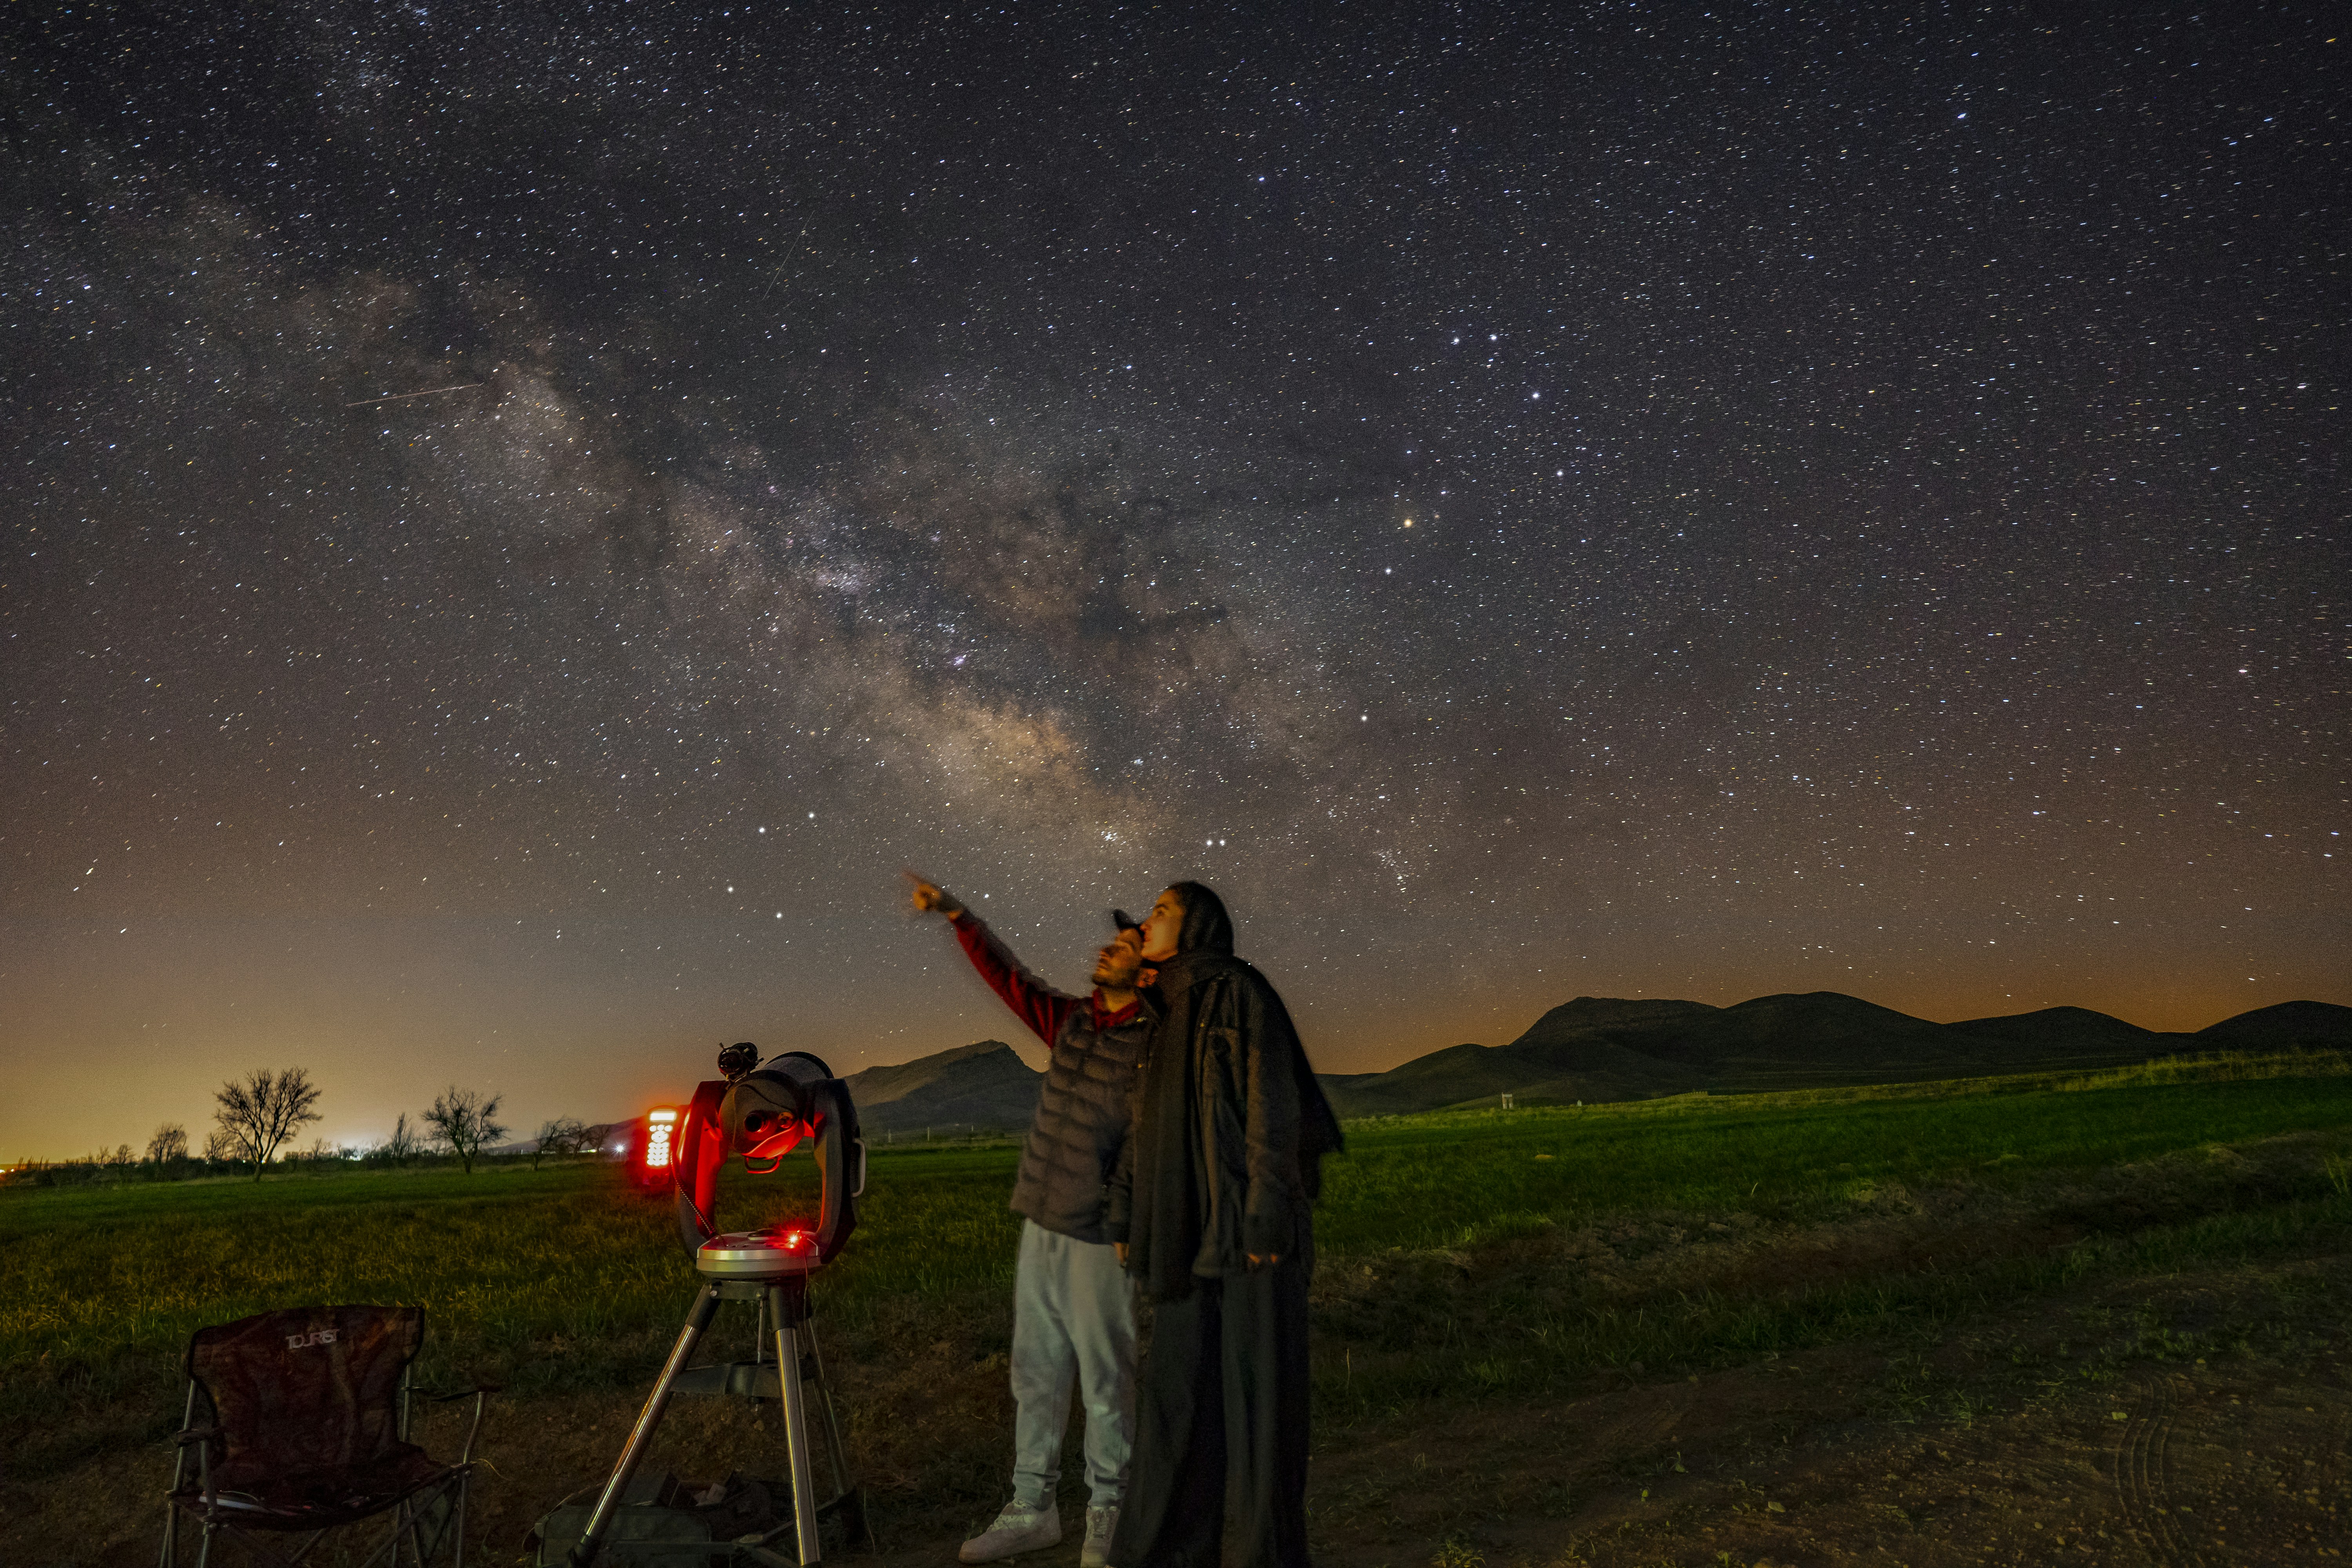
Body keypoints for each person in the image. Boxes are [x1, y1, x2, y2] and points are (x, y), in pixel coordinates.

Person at [909, 875, 1153, 1568]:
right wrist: (960, 914)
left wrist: (1126, 1219)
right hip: (1040, 1220)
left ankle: (1109, 1515)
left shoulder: (1153, 1044)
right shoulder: (1074, 1020)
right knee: (1036, 1374)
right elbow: (1009, 979)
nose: (1108, 949)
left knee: (1106, 1378)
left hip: (1100, 1232)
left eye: (1126, 945)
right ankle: (1032, 1509)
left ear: (1151, 967)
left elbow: (1145, 1143)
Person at [1105, 881, 1343, 1568]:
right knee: (1177, 1408)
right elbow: (1140, 1125)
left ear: (1197, 924)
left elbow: (1274, 1103)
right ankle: (1171, 1554)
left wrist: (1269, 1214)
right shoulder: (1160, 1013)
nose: (1146, 922)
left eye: (1160, 911)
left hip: (1248, 1234)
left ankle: (1270, 1557)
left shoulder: (1241, 993)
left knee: (1262, 1413)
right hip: (1182, 1235)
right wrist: (1126, 1209)